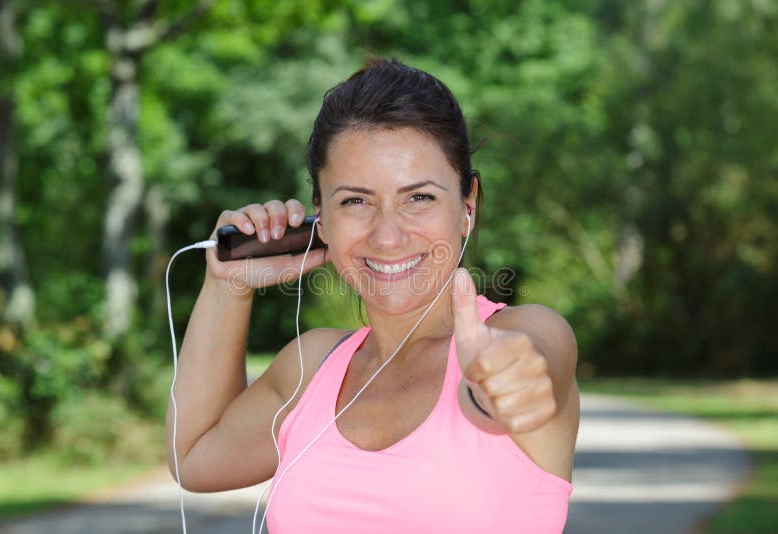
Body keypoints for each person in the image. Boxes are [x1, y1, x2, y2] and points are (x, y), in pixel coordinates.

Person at [167, 56, 579, 533]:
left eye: (418, 197)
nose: (388, 236)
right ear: (320, 215)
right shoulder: (311, 367)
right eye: (355, 201)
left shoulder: (523, 333)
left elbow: (530, 366)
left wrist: (508, 381)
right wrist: (227, 284)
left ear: (467, 205)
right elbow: (194, 456)